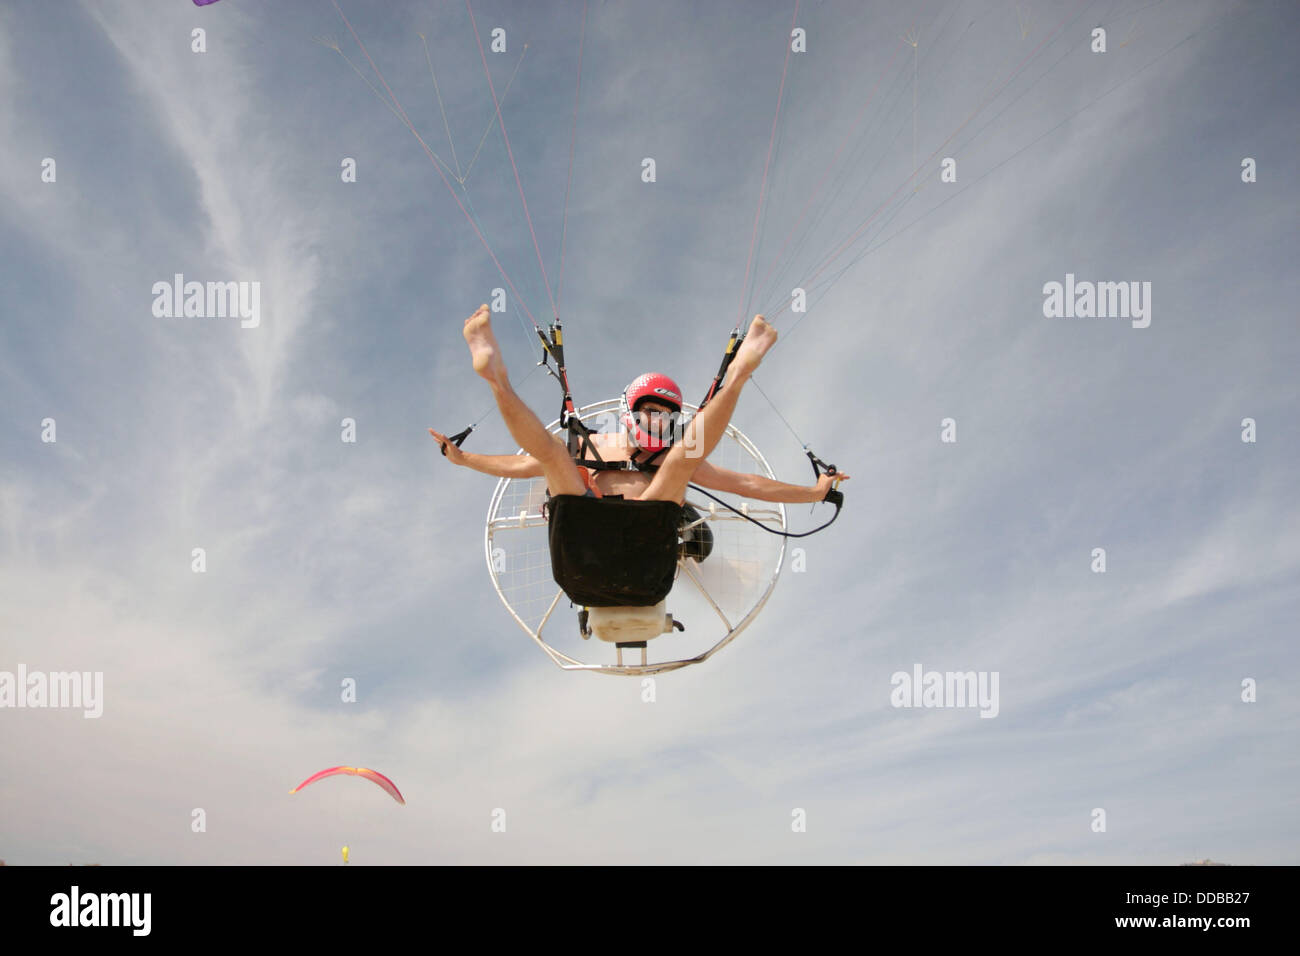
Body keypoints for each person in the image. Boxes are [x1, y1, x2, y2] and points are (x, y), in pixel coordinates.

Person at [430, 305, 848, 608]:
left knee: (667, 465)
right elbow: (523, 464)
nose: (659, 423)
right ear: (631, 412)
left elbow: (750, 485)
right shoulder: (590, 446)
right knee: (560, 456)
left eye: (668, 416)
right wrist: (466, 460)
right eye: (651, 412)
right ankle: (495, 377)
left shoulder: (645, 454)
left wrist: (814, 493)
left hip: (622, 565)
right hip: (595, 557)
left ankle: (739, 375)